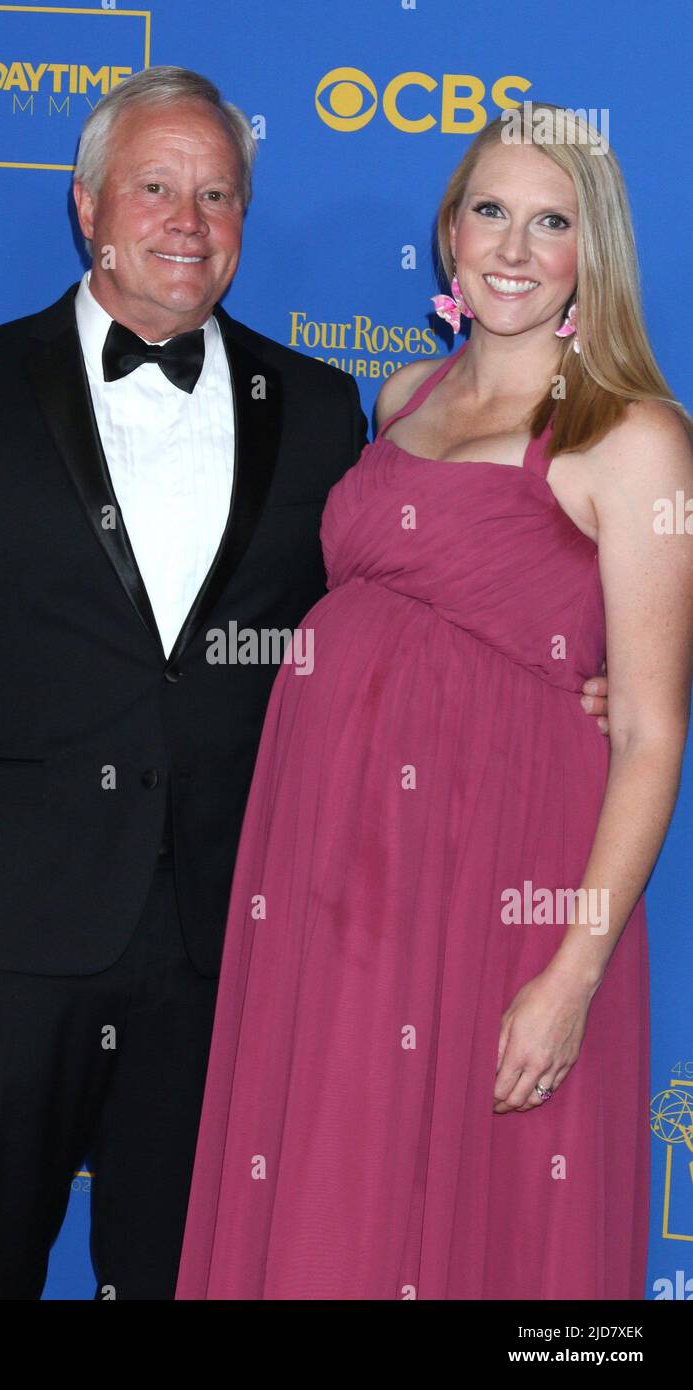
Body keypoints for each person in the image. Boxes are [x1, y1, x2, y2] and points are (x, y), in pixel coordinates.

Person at [0, 70, 607, 1301]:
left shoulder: (319, 410)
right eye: (154, 188)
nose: (186, 220)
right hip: (1, 951)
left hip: (239, 954)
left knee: (188, 1282)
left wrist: (581, 679)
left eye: (216, 194)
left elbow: (409, 613)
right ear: (87, 207)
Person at [175, 103, 693, 1300]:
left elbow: (653, 731)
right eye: (489, 212)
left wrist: (571, 971)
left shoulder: (636, 440)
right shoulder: (401, 393)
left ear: (590, 253)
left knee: (478, 1208)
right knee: (327, 1190)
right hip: (332, 871)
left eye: (549, 222)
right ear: (448, 235)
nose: (512, 249)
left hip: (496, 880)